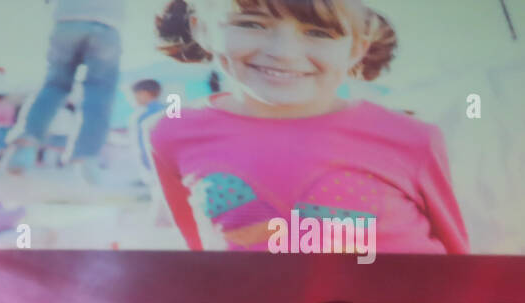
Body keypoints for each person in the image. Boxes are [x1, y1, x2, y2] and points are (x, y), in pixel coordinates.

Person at [147, 0, 469, 253]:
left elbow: (459, 270)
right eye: (251, 24)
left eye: (319, 32)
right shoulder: (171, 134)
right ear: (201, 29)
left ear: (357, 47)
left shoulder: (413, 139)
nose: (284, 54)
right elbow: (197, 258)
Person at [4, 0, 127, 181]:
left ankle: (26, 142)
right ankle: (86, 156)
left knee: (54, 85)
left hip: (66, 21)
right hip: (105, 24)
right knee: (99, 92)